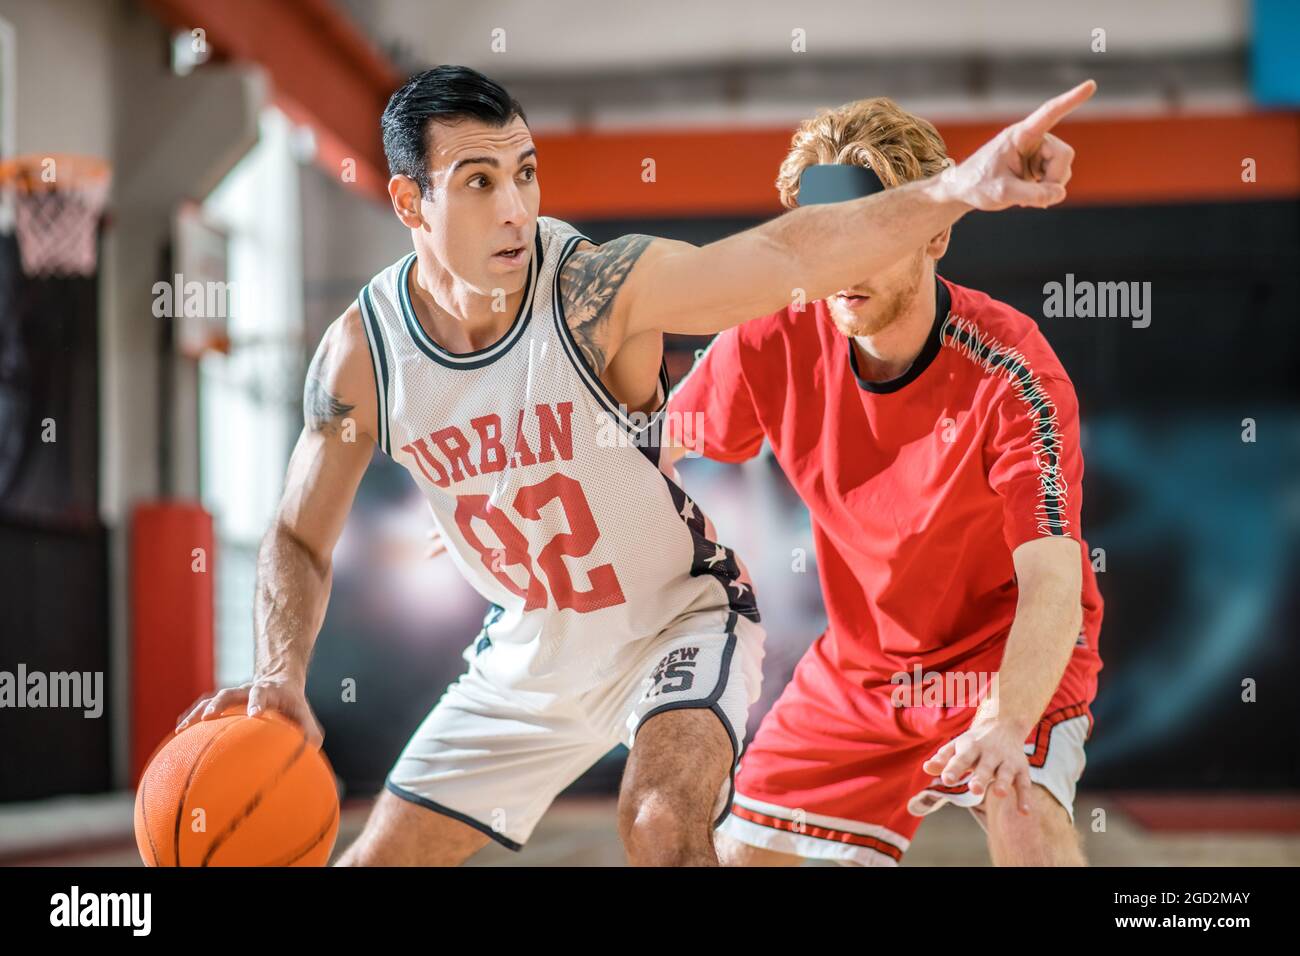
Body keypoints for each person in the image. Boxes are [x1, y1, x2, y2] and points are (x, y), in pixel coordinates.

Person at [176, 64, 1093, 866]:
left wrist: (963, 186)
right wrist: (279, 678)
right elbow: (300, 531)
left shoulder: (591, 289)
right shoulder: (363, 355)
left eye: (525, 174)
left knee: (678, 825)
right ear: (412, 203)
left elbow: (779, 257)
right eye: (480, 181)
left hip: (800, 635)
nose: (514, 208)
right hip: (600, 648)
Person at [666, 95, 1103, 867]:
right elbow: (650, 445)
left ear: (934, 232)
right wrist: (528, 496)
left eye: (870, 234)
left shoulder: (1013, 371)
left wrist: (1003, 722)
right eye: (824, 241)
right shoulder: (771, 335)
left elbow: (1052, 584)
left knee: (1022, 814)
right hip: (865, 671)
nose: (841, 265)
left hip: (1001, 653)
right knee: (740, 859)